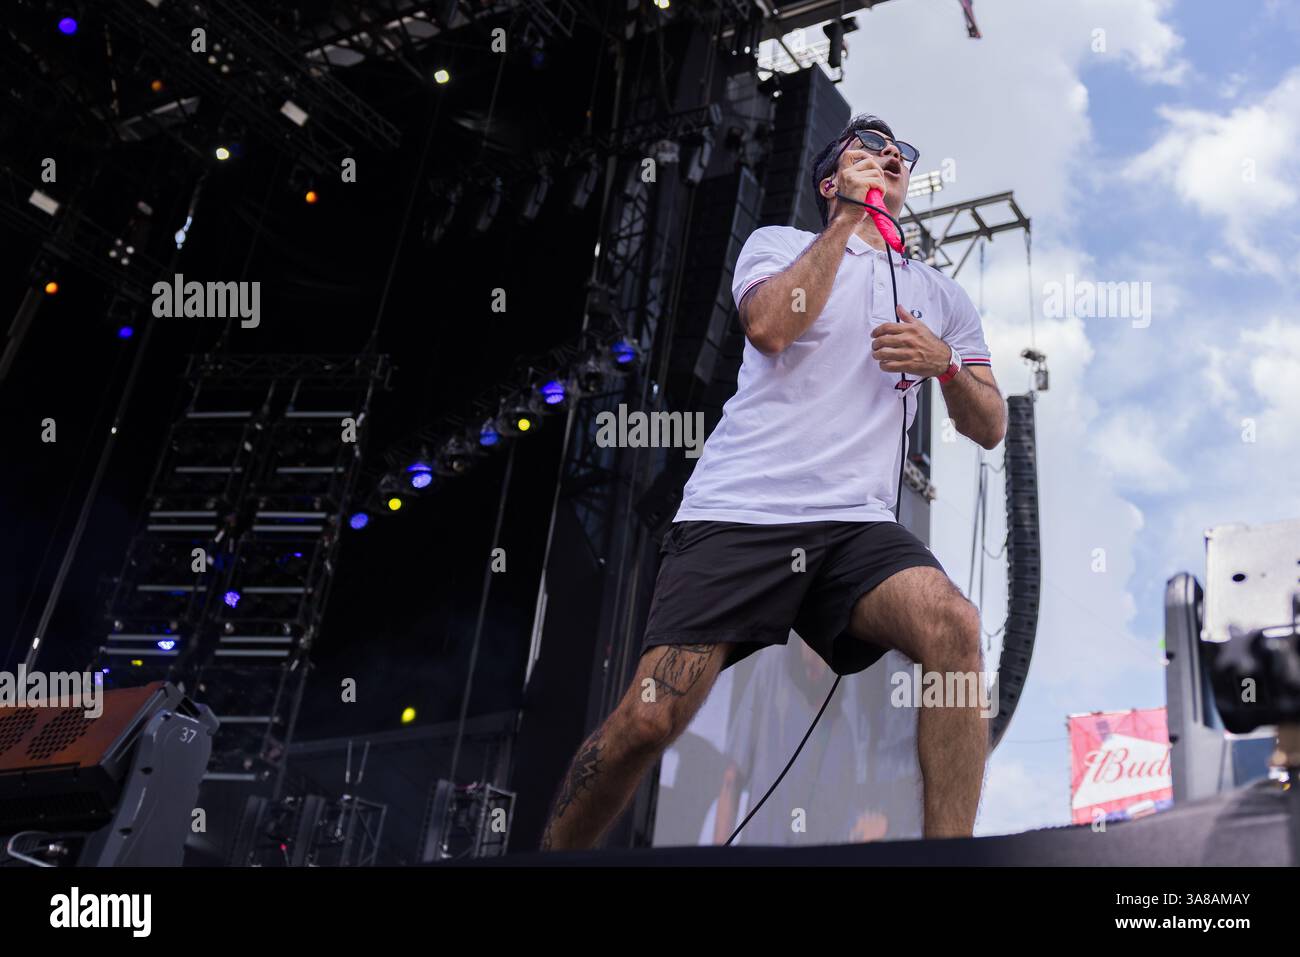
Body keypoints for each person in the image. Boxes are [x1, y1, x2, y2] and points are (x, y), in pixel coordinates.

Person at [540, 114, 1005, 851]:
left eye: (897, 156)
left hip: (854, 525)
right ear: (829, 181)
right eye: (867, 151)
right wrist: (851, 220)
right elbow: (768, 328)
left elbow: (989, 425)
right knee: (649, 719)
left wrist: (944, 360)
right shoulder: (780, 246)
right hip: (744, 510)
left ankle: (948, 856)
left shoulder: (939, 296)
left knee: (956, 627)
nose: (888, 159)